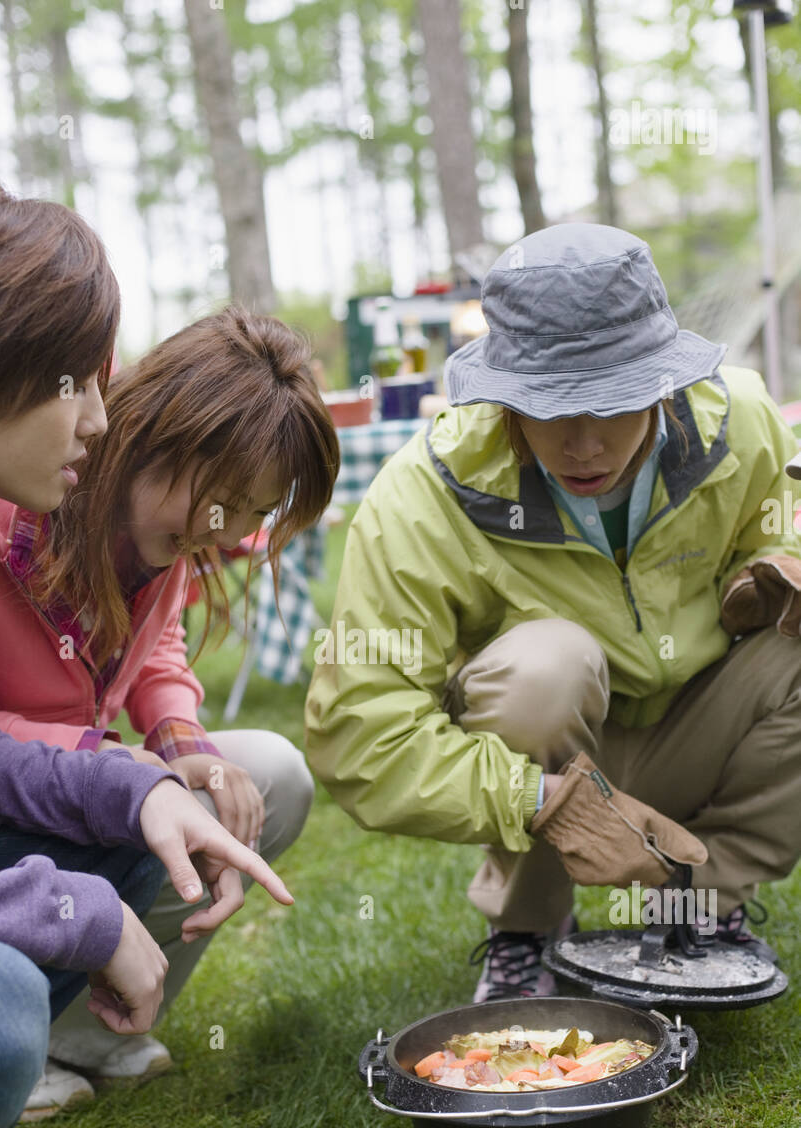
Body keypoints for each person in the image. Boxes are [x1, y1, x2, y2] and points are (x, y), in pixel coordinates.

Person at [305, 222, 801, 1002]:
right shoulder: (423, 494)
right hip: (552, 750)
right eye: (546, 405)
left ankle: (701, 905)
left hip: (703, 722)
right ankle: (529, 930)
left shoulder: (738, 418)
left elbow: (777, 512)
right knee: (546, 670)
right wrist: (541, 801)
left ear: (664, 381)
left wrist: (770, 566)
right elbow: (360, 731)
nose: (582, 442)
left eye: (612, 400)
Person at [0, 176, 292, 1128]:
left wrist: (145, 777)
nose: (101, 413)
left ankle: (76, 1038)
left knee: (168, 807)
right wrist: (73, 905)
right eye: (72, 384)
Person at [0, 306, 339, 1116]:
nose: (230, 532)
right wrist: (103, 762)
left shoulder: (159, 536)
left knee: (266, 774)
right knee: (134, 799)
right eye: (227, 501)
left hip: (70, 780)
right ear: (161, 438)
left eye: (255, 513)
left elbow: (158, 649)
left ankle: (84, 1025)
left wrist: (182, 742)